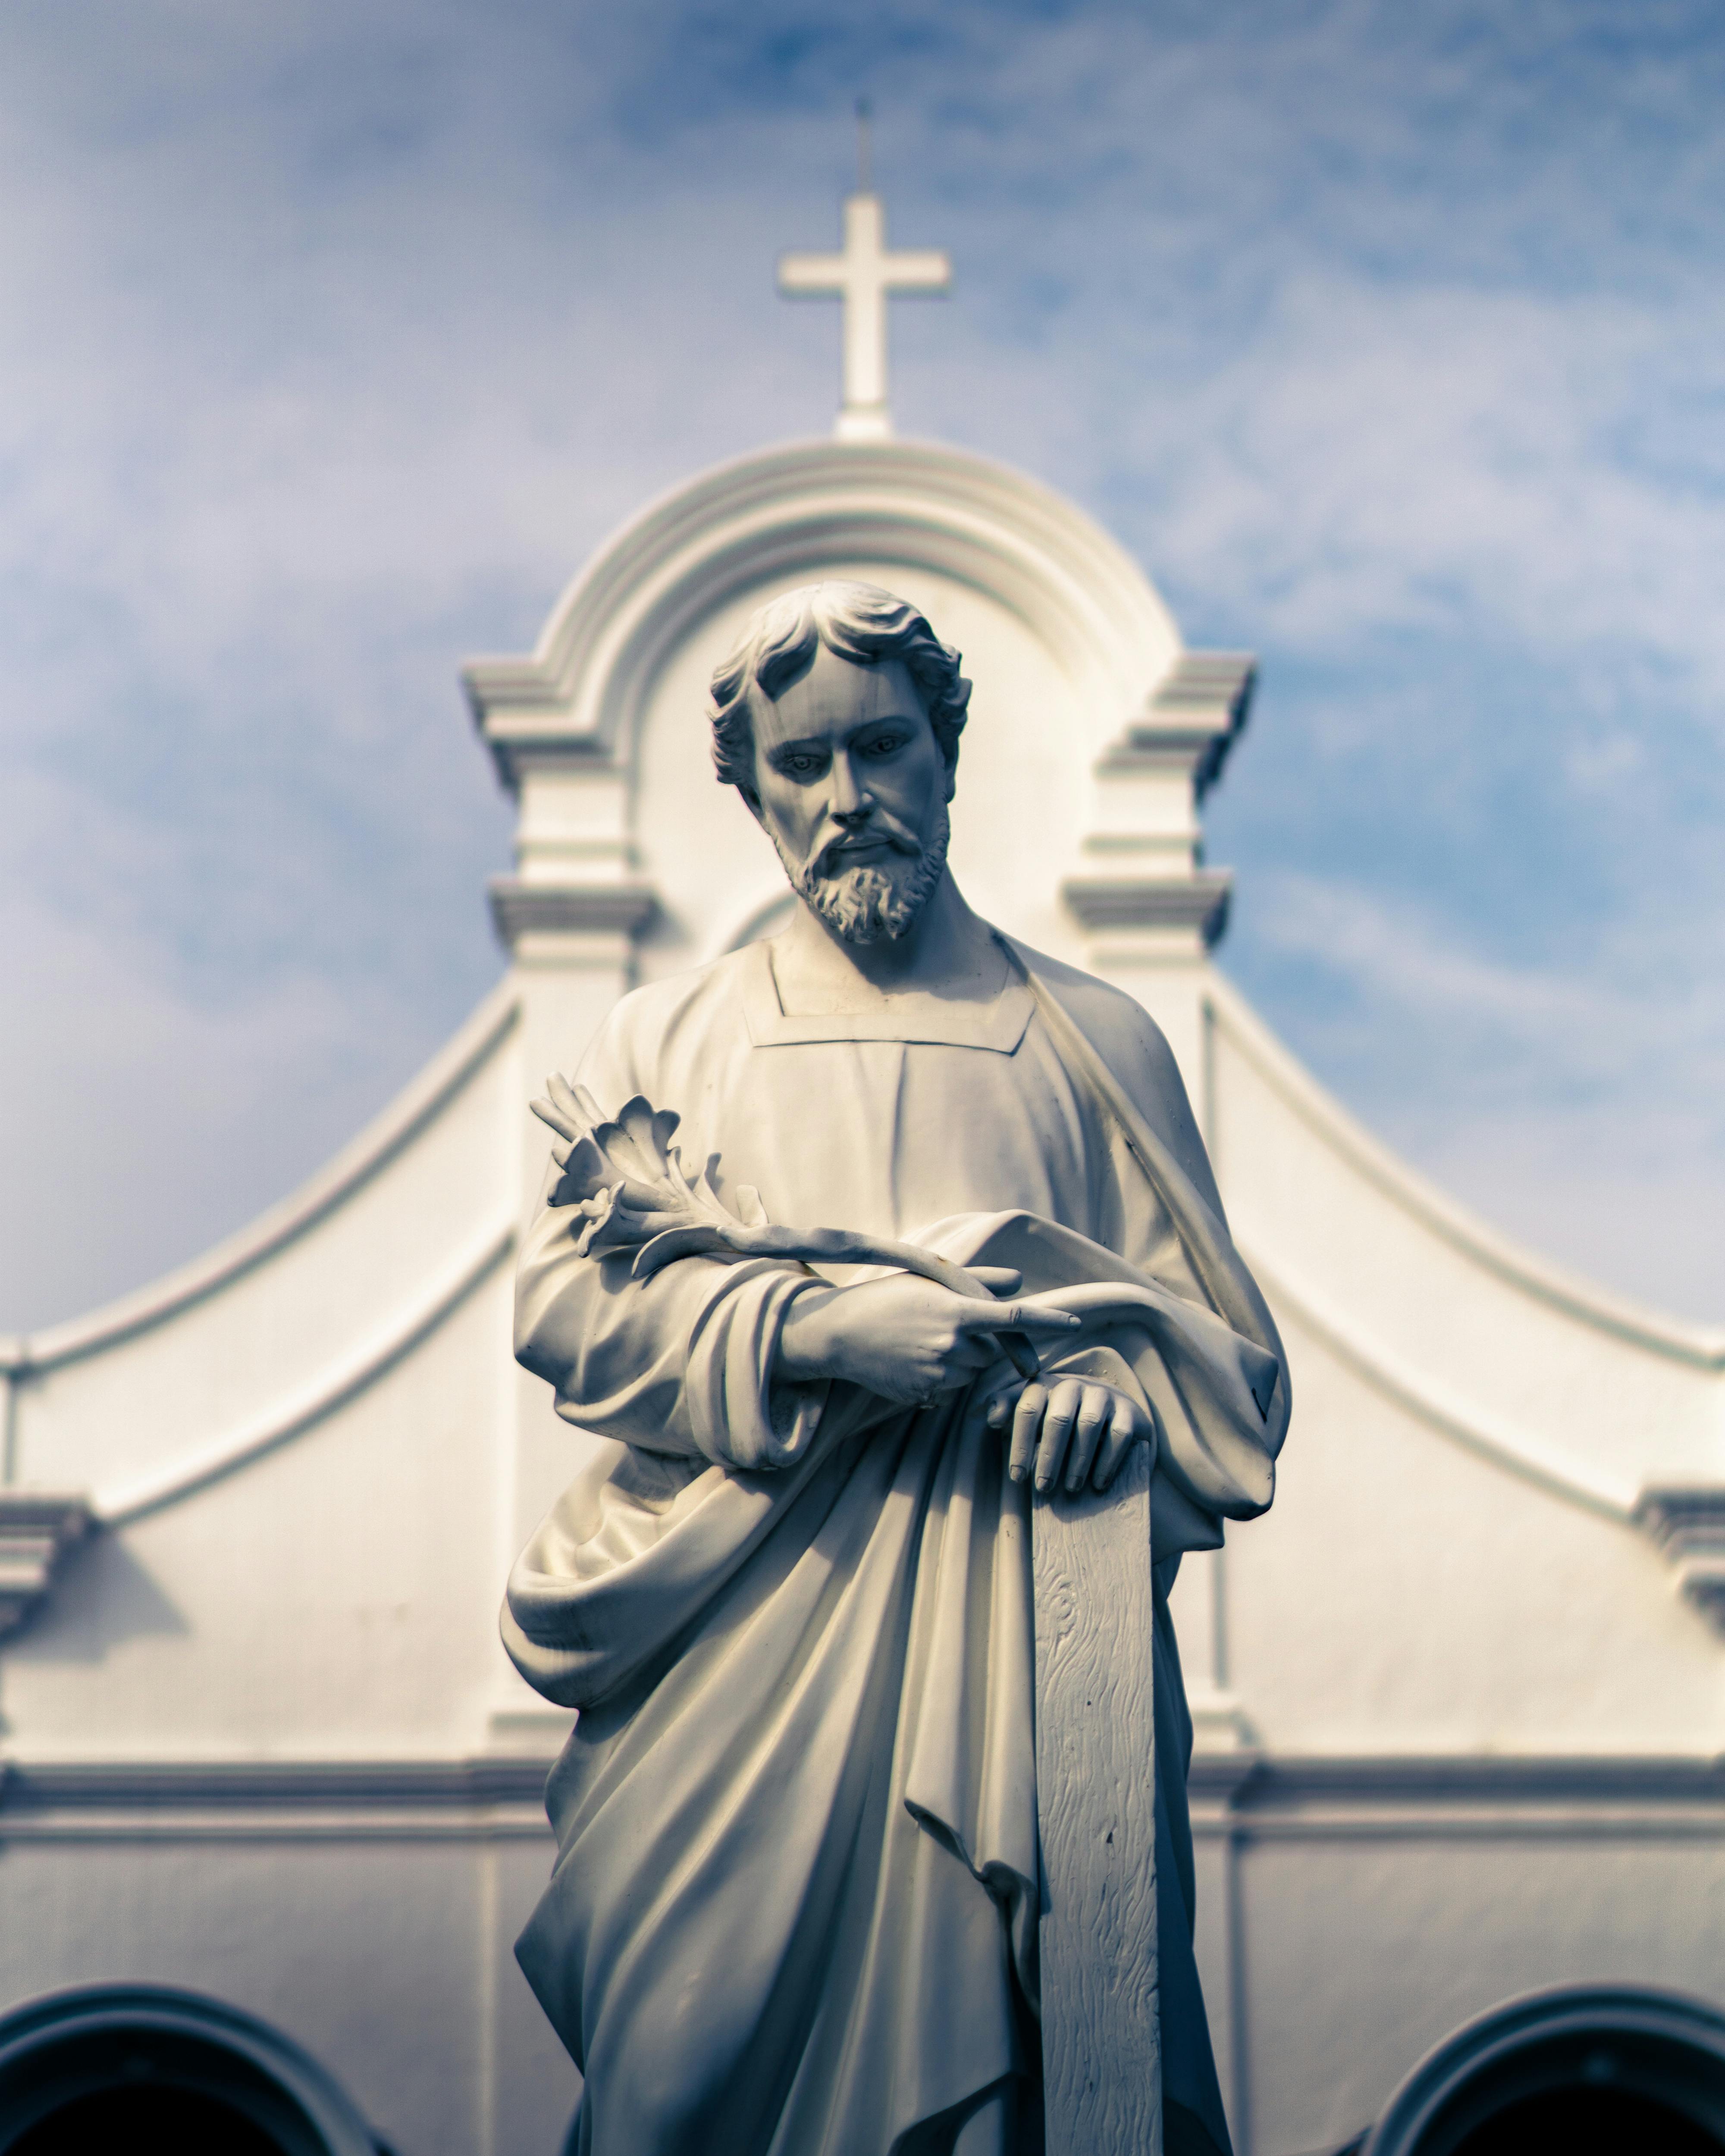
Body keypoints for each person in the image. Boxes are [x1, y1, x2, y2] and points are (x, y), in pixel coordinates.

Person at [504, 580, 1289, 2156]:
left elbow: (1231, 1369)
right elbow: (570, 1314)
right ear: (750, 792)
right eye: (802, 766)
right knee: (682, 2087)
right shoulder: (660, 1045)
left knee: (1023, 2092)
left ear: (948, 751)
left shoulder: (1092, 1041)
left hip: (1016, 1651)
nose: (847, 798)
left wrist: (1105, 1391)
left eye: (883, 747)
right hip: (737, 1679)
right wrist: (813, 1332)